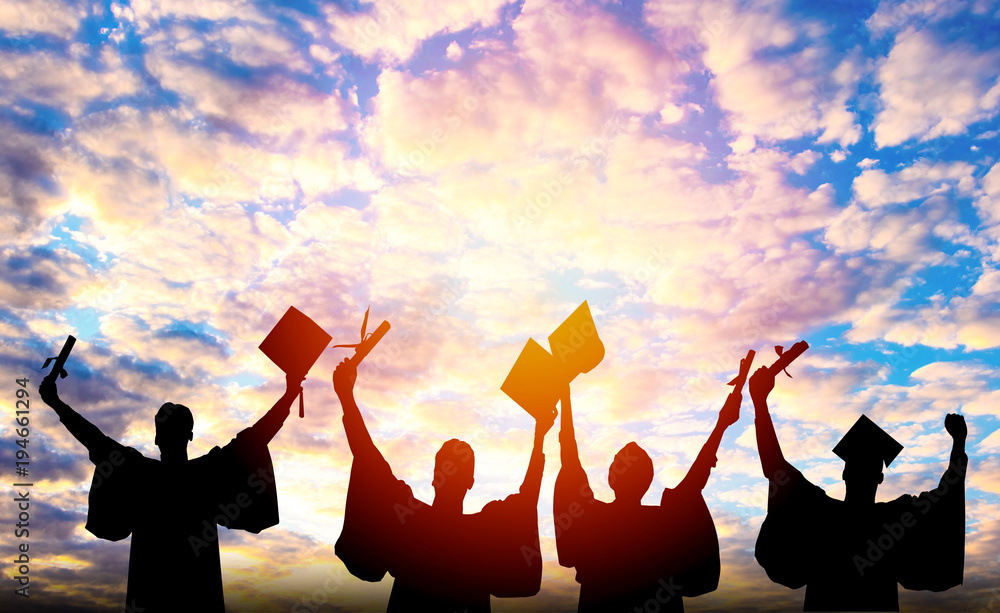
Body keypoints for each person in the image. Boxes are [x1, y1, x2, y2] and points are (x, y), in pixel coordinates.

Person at [39, 371, 303, 612]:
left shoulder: (139, 473)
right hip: (199, 598)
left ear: (157, 438)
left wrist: (57, 403)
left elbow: (93, 438)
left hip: (150, 597)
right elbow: (257, 437)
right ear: (189, 435)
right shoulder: (208, 474)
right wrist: (289, 394)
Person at [332, 357, 556, 612]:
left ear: (435, 476)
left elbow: (368, 457)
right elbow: (525, 502)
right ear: (471, 483)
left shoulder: (410, 522)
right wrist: (539, 436)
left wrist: (346, 396)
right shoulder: (482, 535)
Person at [750, 365, 967, 611]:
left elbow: (774, 466)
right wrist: (958, 445)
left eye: (863, 466)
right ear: (880, 478)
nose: (861, 472)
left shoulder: (822, 515)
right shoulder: (894, 522)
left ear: (844, 473)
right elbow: (945, 497)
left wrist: (760, 402)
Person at [553, 356, 749, 612]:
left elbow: (569, 458)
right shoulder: (664, 523)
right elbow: (694, 483)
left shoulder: (592, 519)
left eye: (617, 463)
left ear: (611, 477)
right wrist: (722, 424)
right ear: (647, 482)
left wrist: (564, 394)